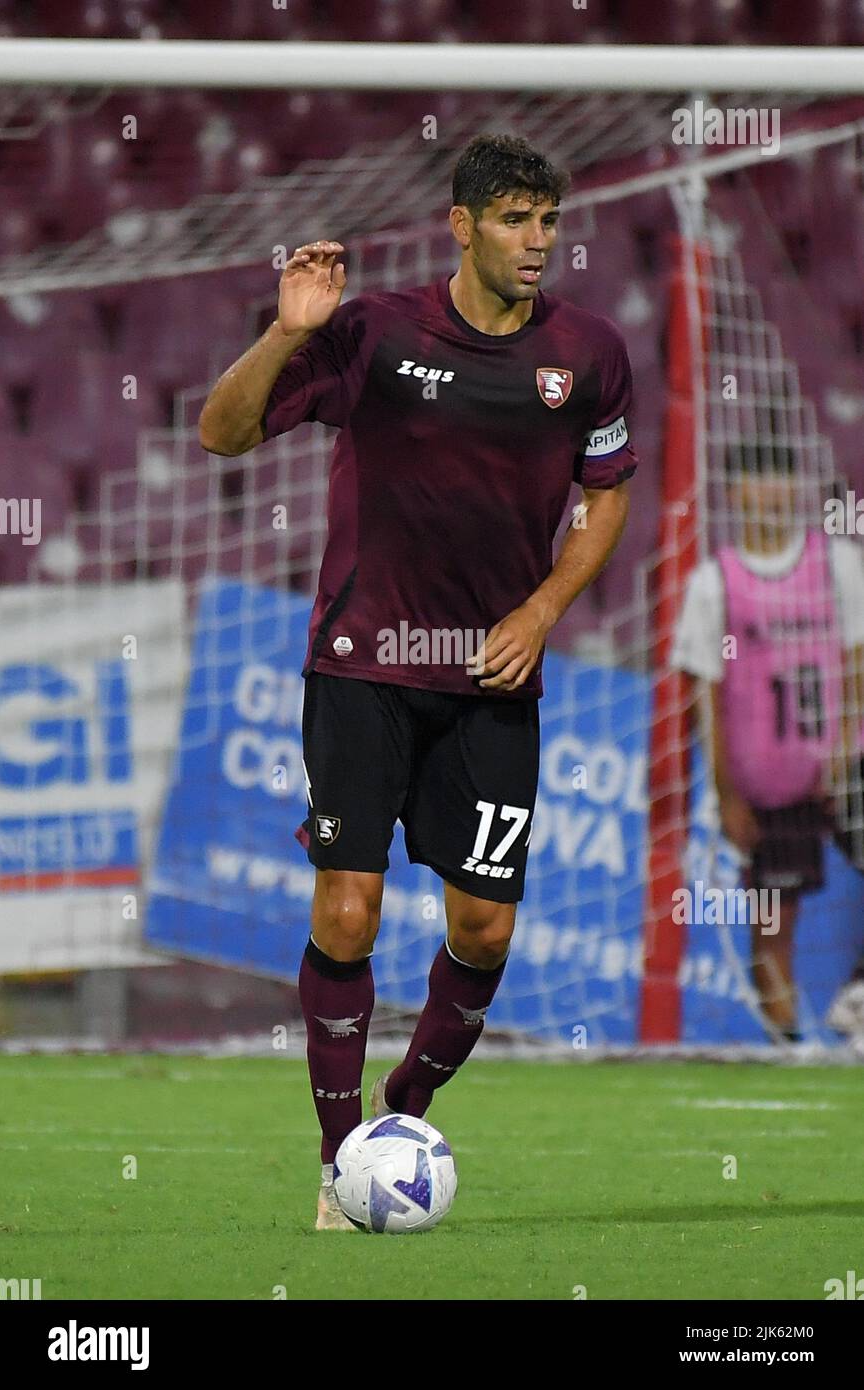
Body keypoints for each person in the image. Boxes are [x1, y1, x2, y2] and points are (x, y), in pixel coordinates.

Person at [199, 134, 637, 1228]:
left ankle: (405, 1104)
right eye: (513, 220)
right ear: (461, 224)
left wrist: (540, 610)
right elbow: (220, 434)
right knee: (346, 909)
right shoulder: (375, 332)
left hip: (492, 679)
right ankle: (340, 1157)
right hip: (363, 665)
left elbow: (608, 490)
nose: (536, 242)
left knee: (483, 928)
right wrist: (284, 335)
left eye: (546, 221)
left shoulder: (588, 354)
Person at [671, 444, 864, 1043]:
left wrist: (846, 748)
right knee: (772, 920)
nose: (773, 494)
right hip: (766, 784)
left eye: (784, 482)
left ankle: (856, 994)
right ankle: (792, 1045)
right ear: (735, 493)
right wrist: (726, 794)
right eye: (759, 482)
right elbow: (705, 698)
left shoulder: (837, 563)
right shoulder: (713, 583)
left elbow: (856, 661)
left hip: (843, 768)